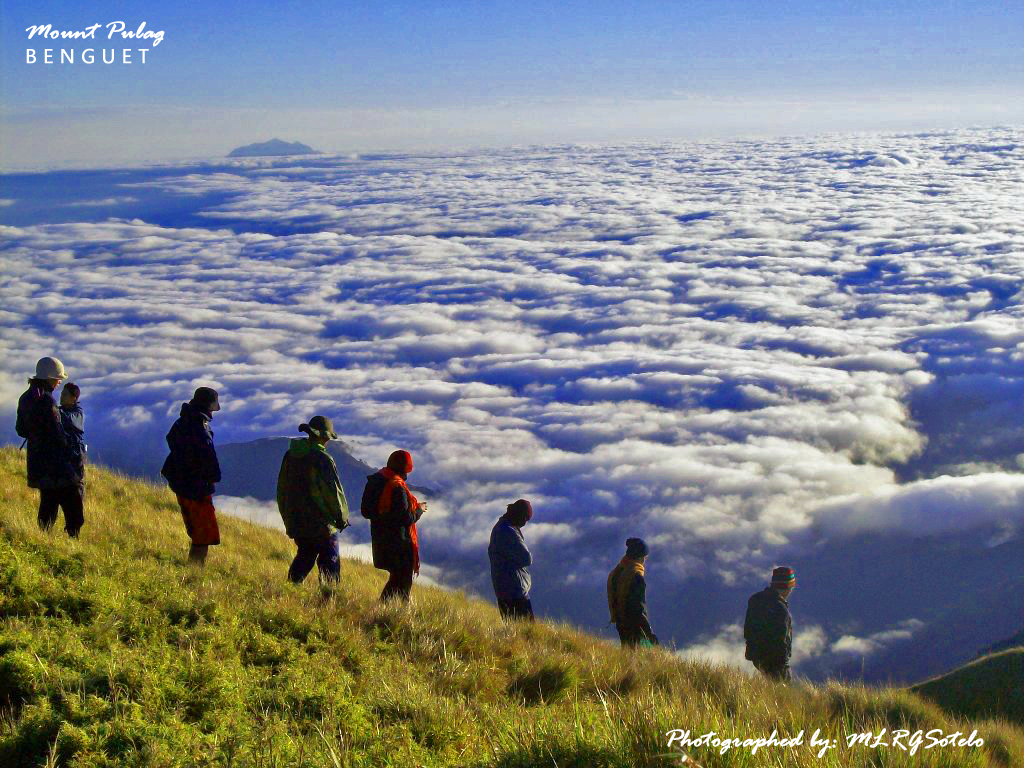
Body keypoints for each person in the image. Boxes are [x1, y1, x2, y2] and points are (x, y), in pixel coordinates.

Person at [276, 415, 350, 584]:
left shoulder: (291, 455)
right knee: (330, 563)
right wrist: (341, 518)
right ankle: (328, 599)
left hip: (297, 518)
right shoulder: (322, 459)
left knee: (304, 556)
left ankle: (290, 591)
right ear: (324, 436)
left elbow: (282, 488)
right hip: (321, 522)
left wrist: (288, 517)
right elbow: (333, 492)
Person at [15, 357, 83, 537]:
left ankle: (43, 537)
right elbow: (57, 434)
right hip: (55, 463)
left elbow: (20, 430)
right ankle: (73, 538)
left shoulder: (25, 398)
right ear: (49, 378)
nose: (59, 382)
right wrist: (70, 451)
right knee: (73, 501)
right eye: (57, 378)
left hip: (37, 461)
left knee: (49, 500)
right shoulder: (47, 400)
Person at [161, 387, 222, 565]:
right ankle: (194, 573)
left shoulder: (183, 421)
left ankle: (193, 570)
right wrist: (213, 477)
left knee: (197, 532)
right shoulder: (199, 427)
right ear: (209, 404)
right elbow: (208, 459)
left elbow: (170, 439)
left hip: (182, 484)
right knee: (202, 536)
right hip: (196, 489)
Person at [361, 449, 425, 601]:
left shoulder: (375, 480)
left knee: (395, 579)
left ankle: (383, 610)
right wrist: (419, 509)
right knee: (402, 582)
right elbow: (406, 518)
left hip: (379, 539)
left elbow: (365, 511)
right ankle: (395, 614)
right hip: (399, 544)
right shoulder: (397, 487)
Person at [743, 566, 796, 681]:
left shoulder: (755, 599)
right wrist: (783, 665)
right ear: (788, 587)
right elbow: (781, 641)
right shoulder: (781, 610)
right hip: (776, 663)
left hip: (756, 656)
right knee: (784, 691)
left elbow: (748, 629)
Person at [488, 499, 535, 620]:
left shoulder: (502, 527)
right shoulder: (507, 531)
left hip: (504, 590)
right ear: (520, 516)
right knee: (526, 632)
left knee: (512, 629)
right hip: (514, 592)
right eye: (526, 519)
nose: (525, 523)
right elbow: (526, 558)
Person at [607, 537, 658, 647]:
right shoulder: (636, 576)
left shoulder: (616, 572)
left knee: (627, 653)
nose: (645, 560)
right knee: (644, 658)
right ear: (640, 557)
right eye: (645, 557)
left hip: (620, 623)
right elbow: (639, 608)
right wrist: (649, 634)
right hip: (635, 627)